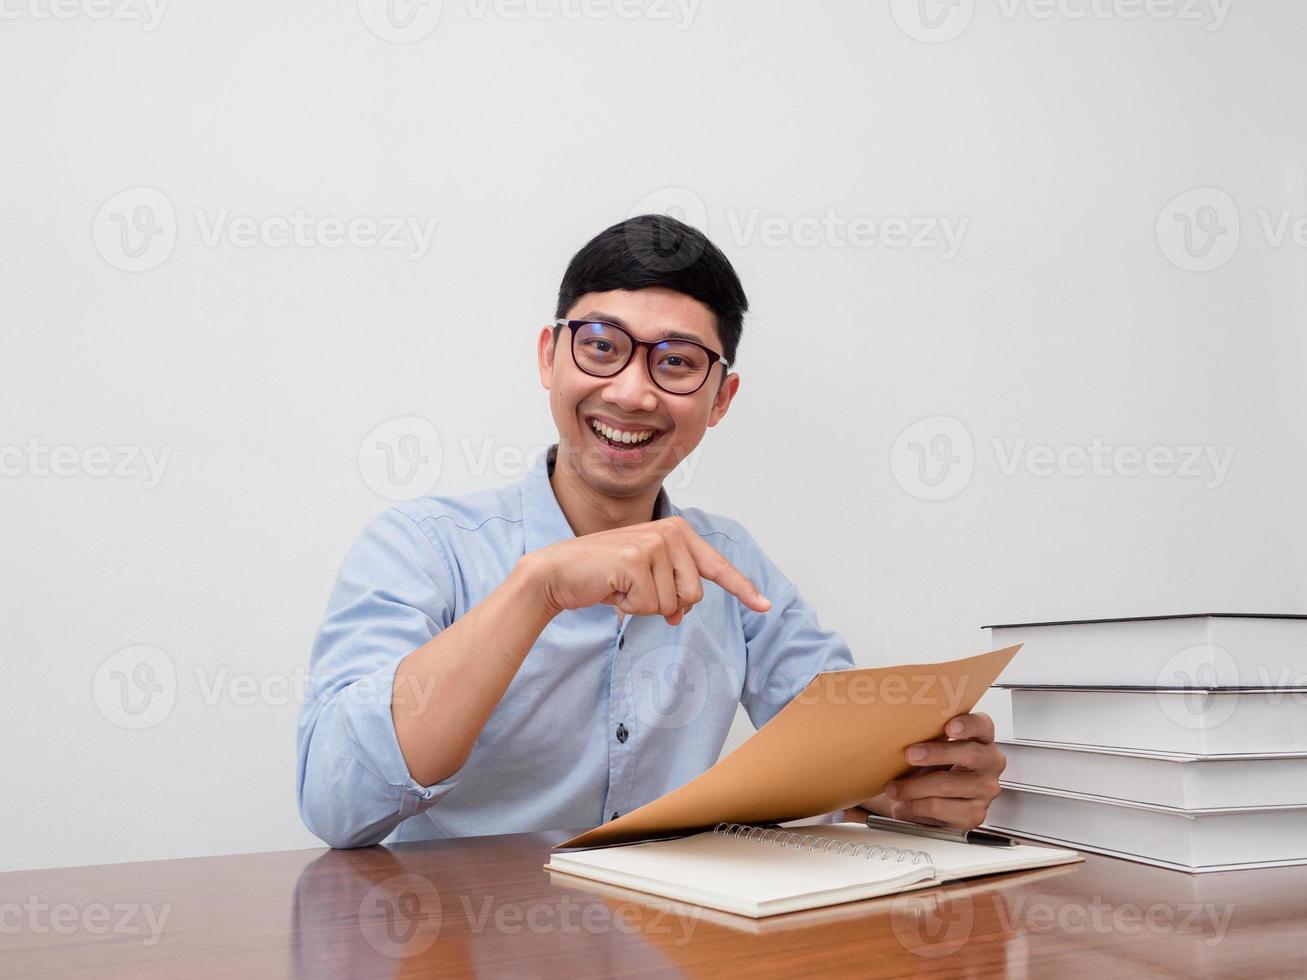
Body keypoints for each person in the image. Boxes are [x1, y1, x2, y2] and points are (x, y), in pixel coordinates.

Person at [296, 214, 1004, 848]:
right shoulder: (420, 546)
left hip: (667, 941)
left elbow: (839, 747)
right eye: (602, 347)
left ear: (719, 399)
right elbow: (337, 806)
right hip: (461, 942)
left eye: (675, 363)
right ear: (549, 356)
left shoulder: (730, 562)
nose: (632, 393)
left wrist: (905, 782)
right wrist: (537, 587)